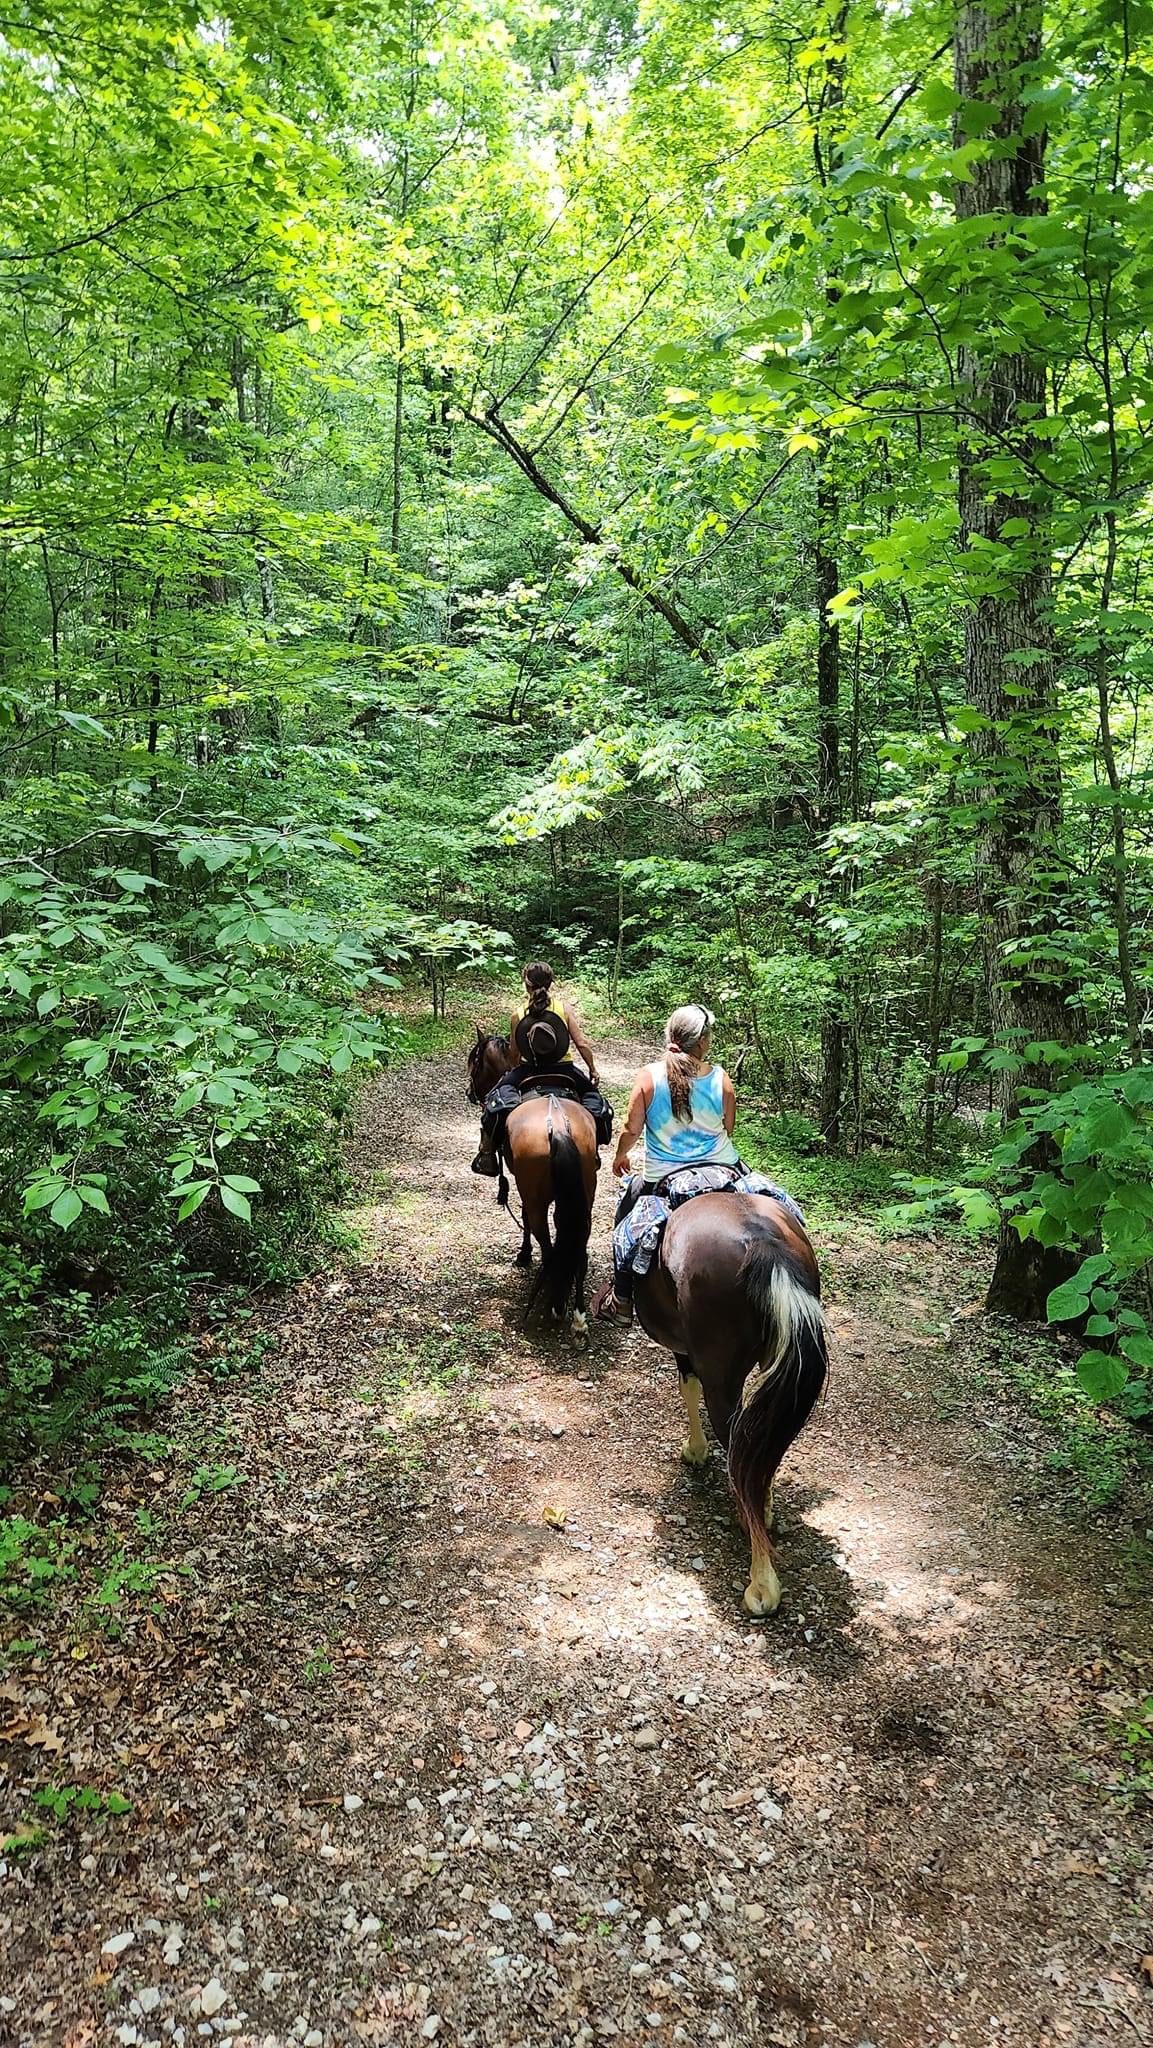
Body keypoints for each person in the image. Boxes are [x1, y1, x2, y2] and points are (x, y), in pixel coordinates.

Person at [594, 1003, 739, 1319]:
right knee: (779, 1205)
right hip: (723, 1171)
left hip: (665, 1177)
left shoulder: (649, 1077)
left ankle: (621, 1300)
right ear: (701, 1042)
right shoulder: (721, 1078)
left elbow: (632, 1129)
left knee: (624, 1227)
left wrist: (621, 1155)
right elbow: (728, 1128)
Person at [471, 962, 611, 1175]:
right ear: (551, 983)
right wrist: (592, 1069)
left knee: (493, 1104)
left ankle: (488, 1154)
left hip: (529, 1070)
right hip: (565, 1070)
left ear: (526, 985)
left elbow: (515, 1055)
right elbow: (581, 1044)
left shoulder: (518, 1014)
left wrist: (514, 1071)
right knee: (598, 1105)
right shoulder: (563, 1008)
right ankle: (593, 1151)